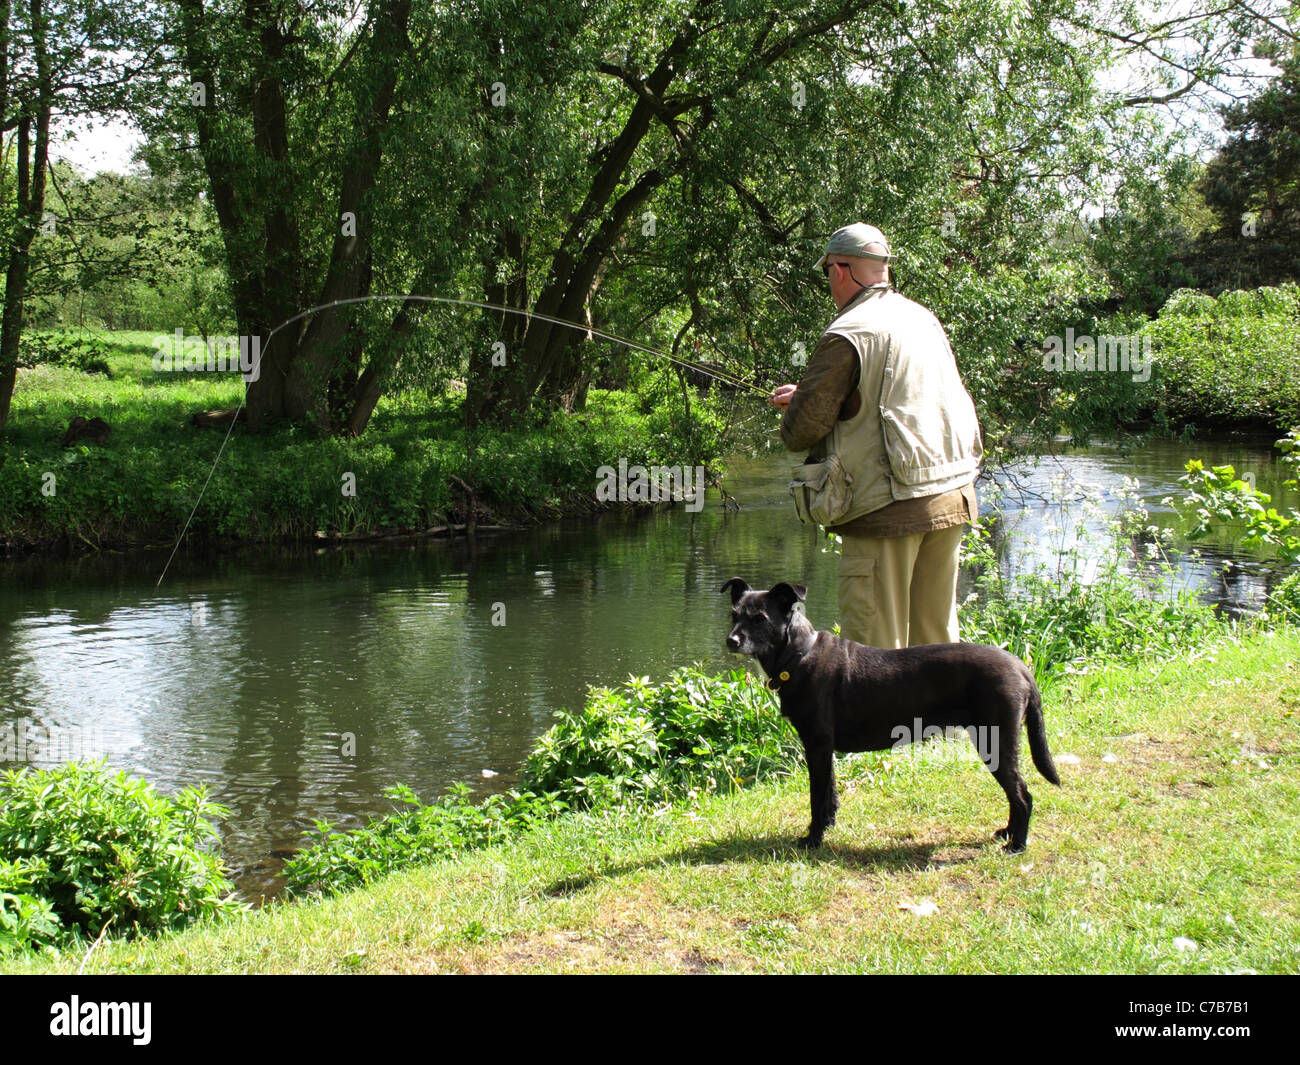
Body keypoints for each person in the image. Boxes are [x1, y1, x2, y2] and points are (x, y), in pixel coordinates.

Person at [770, 222, 982, 649]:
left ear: (841, 270)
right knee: (936, 646)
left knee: (876, 655)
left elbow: (802, 431)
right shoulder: (923, 318)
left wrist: (801, 406)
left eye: (827, 270)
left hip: (887, 509)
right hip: (950, 496)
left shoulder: (848, 332)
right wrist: (811, 395)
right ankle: (935, 721)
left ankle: (885, 722)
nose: (828, 280)